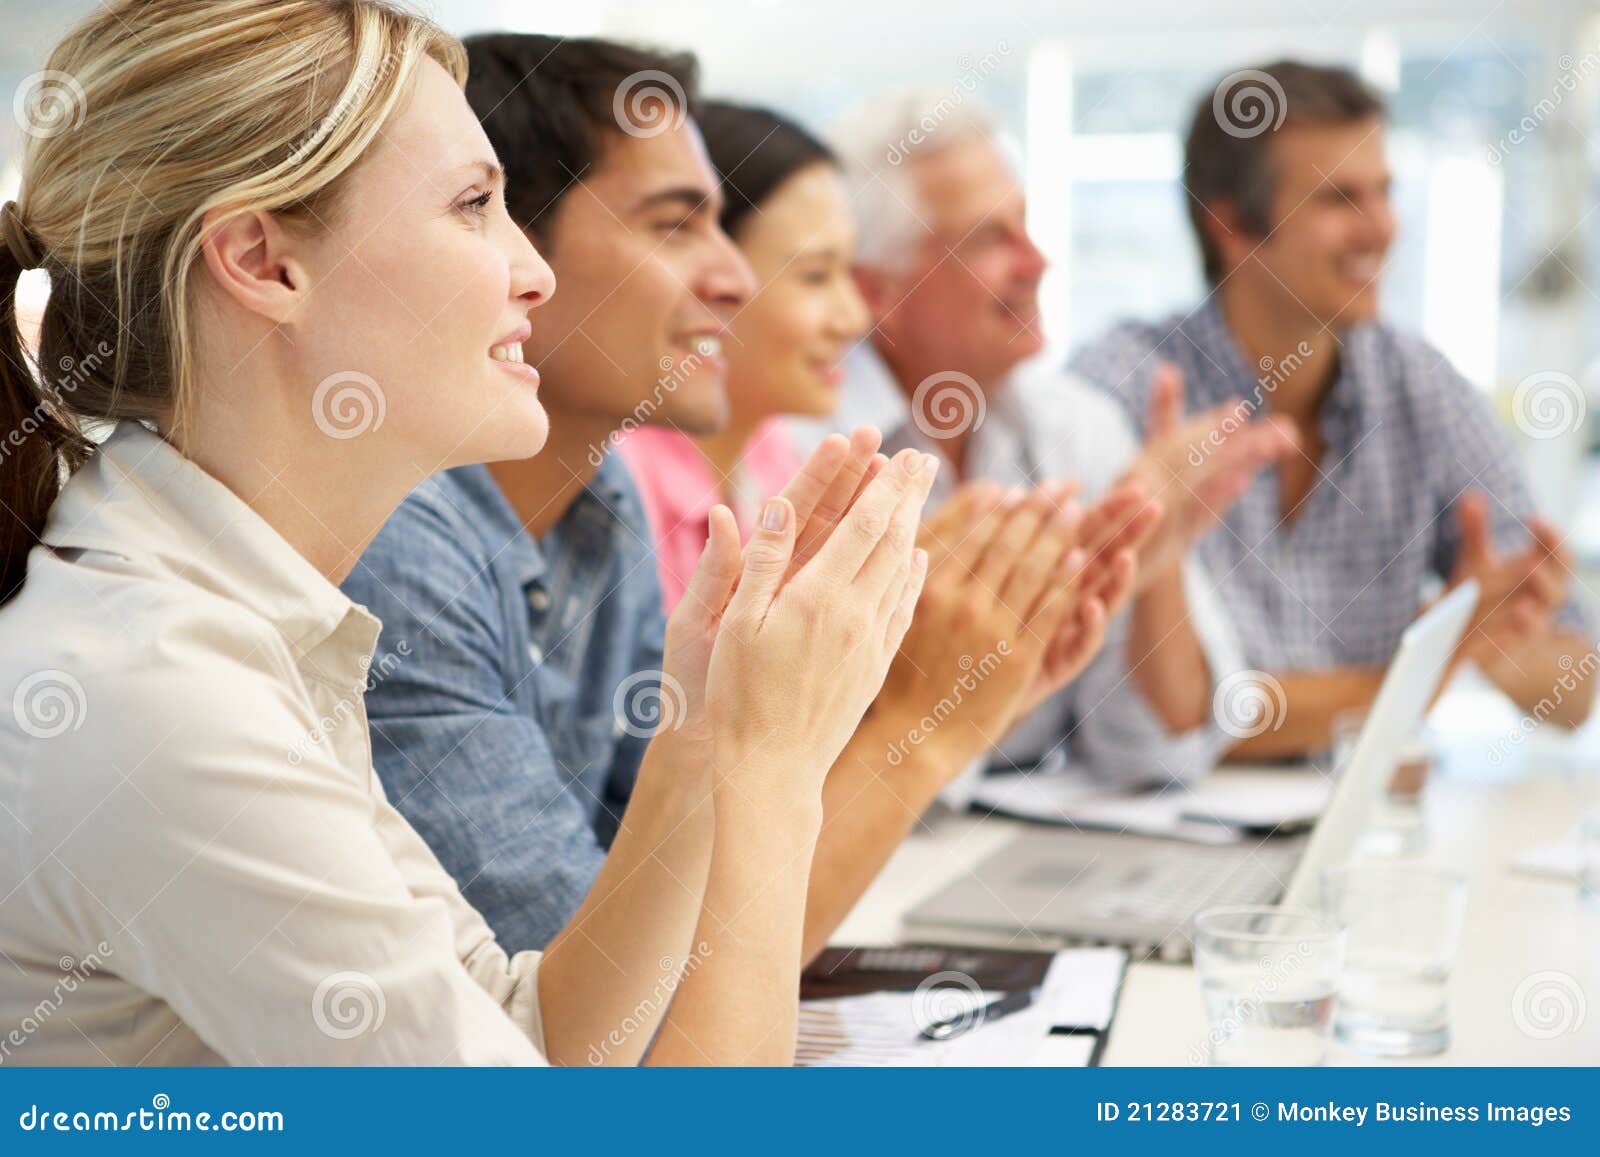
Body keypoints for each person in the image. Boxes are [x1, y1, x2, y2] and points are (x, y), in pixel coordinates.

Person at [0, 0, 928, 1067]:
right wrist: (773, 773)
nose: (533, 272)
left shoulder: (241, 622)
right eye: (474, 205)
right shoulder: (157, 696)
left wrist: (710, 730)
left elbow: (520, 1034)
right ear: (264, 261)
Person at [345, 40, 1147, 968]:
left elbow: (679, 898)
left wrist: (930, 681)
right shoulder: (402, 553)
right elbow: (608, 1013)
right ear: (512, 245)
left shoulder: (599, 504)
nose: (733, 278)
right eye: (674, 225)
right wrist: (922, 725)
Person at [1070, 60, 1595, 758]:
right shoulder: (1123, 390)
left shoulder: (1420, 388)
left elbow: (1575, 694)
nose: (1383, 228)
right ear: (1231, 226)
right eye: (1339, 199)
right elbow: (1166, 717)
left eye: (1384, 192)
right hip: (1166, 840)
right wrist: (1426, 665)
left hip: (1364, 829)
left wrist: (1503, 644)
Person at [808, 93, 1298, 789]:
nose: (1038, 260)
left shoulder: (1077, 425)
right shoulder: (805, 451)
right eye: (987, 238)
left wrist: (1153, 554)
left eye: (1027, 224)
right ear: (875, 291)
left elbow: (1157, 748)